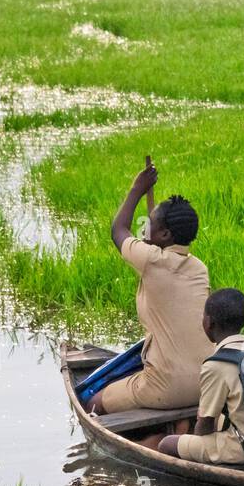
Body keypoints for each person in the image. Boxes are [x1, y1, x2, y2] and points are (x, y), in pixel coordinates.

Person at [92, 161, 214, 415]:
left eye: (151, 223)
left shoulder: (150, 260)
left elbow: (119, 230)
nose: (145, 225)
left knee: (92, 402)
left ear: (166, 235)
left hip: (165, 388)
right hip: (207, 382)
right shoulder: (199, 268)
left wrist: (138, 189)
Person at [158, 289, 244, 464]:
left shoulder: (216, 364)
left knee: (167, 444)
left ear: (208, 322)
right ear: (243, 321)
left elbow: (205, 423)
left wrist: (195, 444)